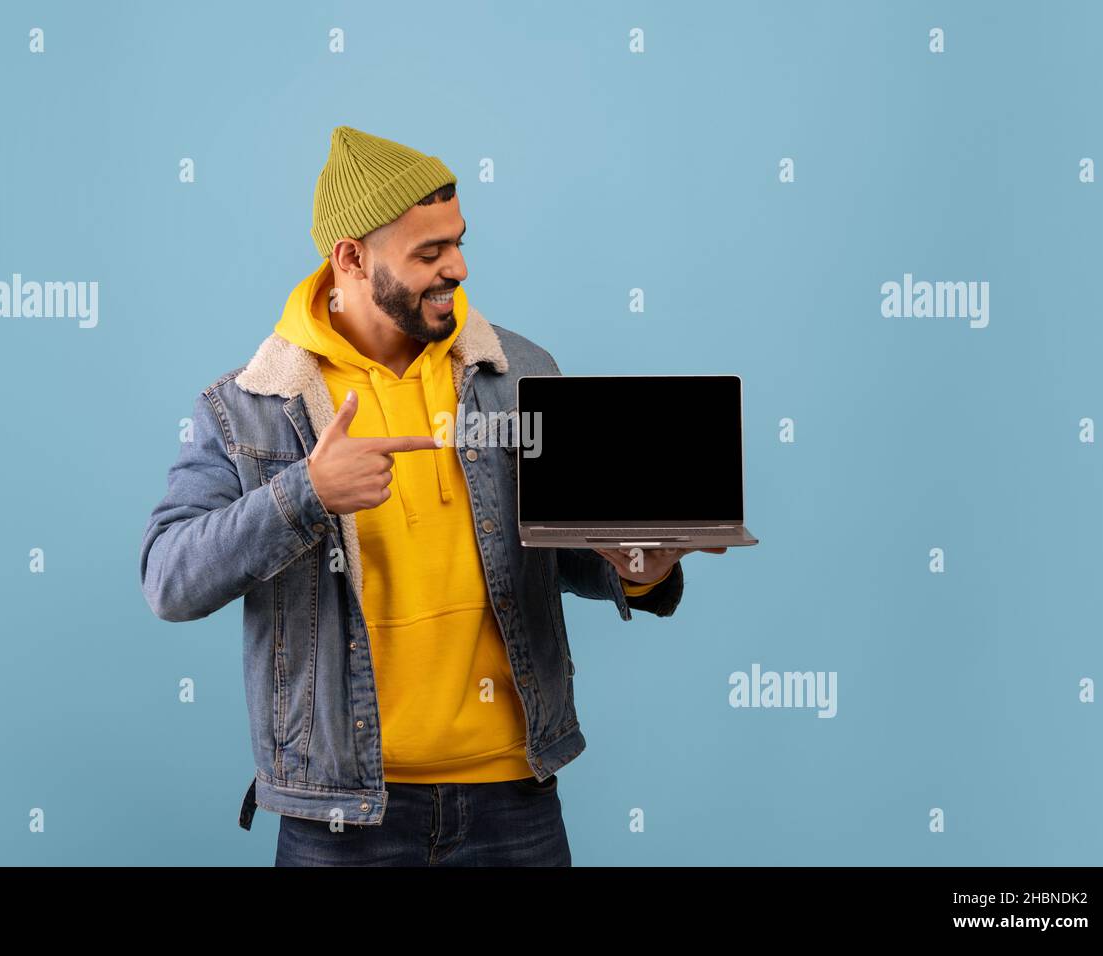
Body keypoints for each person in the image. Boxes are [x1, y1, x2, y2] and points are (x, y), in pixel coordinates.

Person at [140, 126, 725, 866]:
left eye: (457, 241)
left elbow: (569, 551)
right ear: (349, 257)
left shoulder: (518, 373)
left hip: (513, 801)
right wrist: (307, 493)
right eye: (428, 253)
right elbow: (168, 580)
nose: (458, 267)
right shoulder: (251, 405)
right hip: (342, 817)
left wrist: (641, 568)